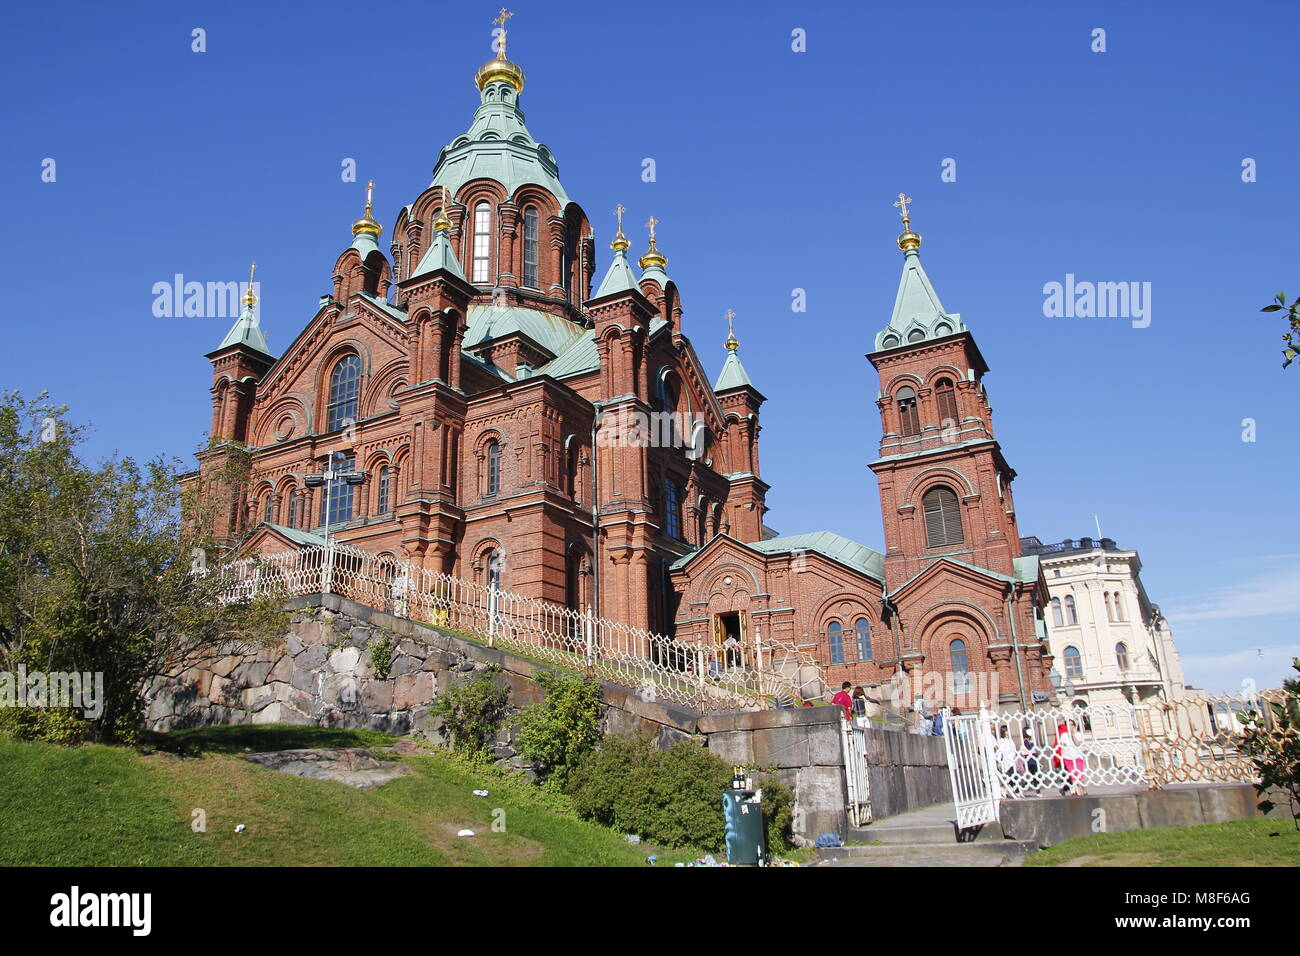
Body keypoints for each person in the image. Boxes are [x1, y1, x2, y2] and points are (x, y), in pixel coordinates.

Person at [1055, 720, 1087, 795]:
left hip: (1077, 757)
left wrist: (1072, 735)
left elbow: (1078, 744)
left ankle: (1084, 790)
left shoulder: (1078, 734)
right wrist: (1062, 757)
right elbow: (1062, 747)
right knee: (1073, 777)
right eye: (1068, 725)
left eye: (1071, 725)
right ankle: (1078, 792)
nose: (1070, 727)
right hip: (1068, 758)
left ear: (1074, 726)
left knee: (1079, 776)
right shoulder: (1063, 735)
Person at [995, 726, 1021, 798]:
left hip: (1013, 760)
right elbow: (999, 752)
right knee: (1011, 776)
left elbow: (1014, 748)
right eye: (1006, 731)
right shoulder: (1001, 741)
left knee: (1013, 776)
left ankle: (1008, 790)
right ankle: (1015, 791)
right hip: (1007, 761)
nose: (1007, 732)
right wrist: (999, 761)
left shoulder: (1010, 740)